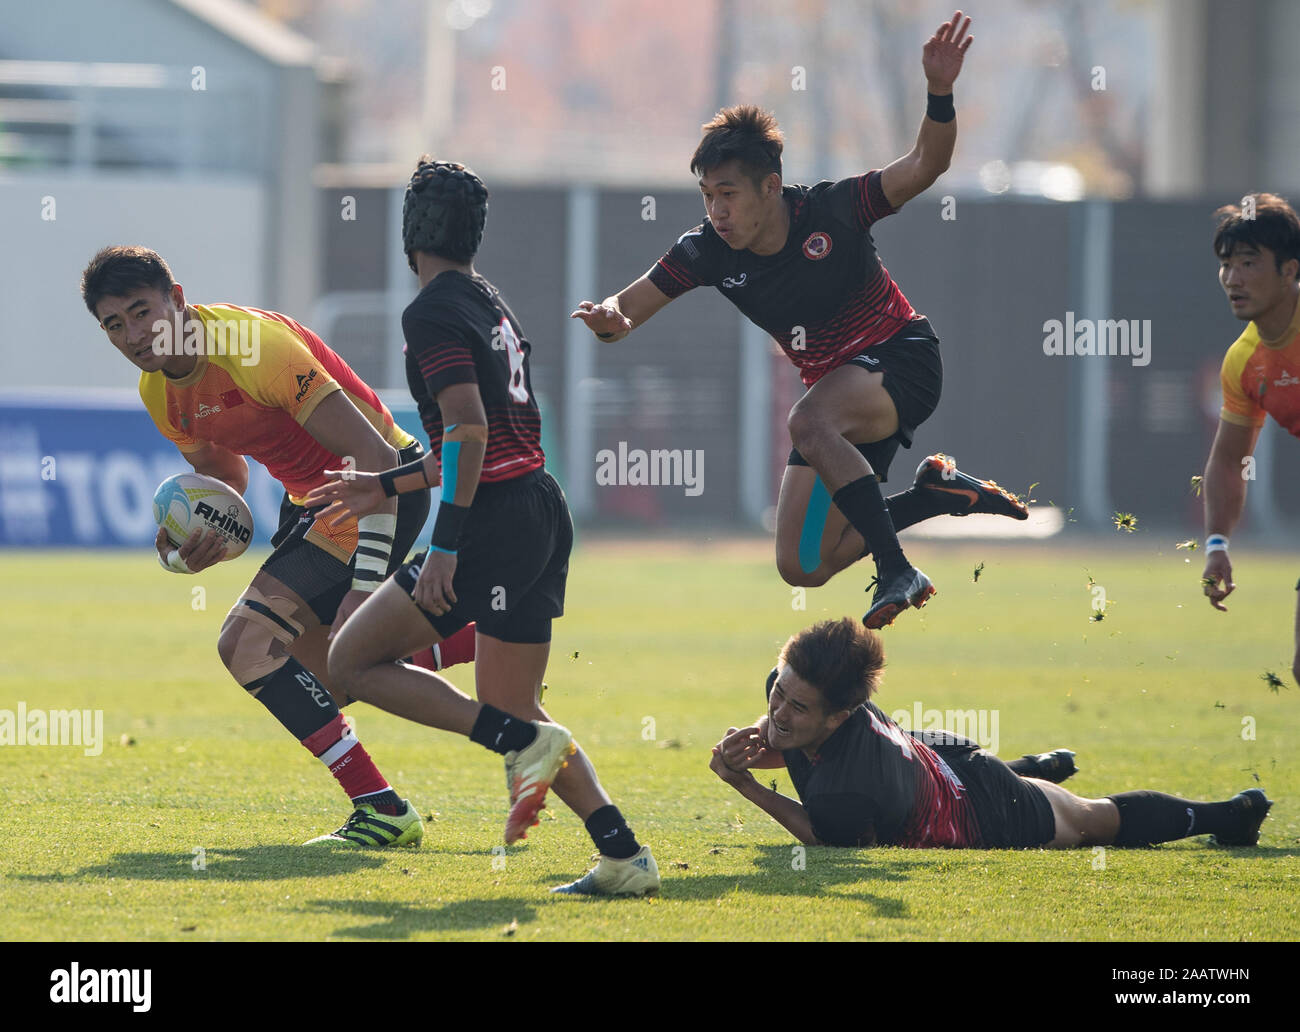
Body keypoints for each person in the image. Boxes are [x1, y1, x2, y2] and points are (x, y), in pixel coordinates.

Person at [572, 10, 1027, 629]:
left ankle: (897, 569)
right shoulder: (705, 250)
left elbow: (926, 163)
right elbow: (625, 314)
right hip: (838, 404)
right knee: (803, 564)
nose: (716, 211)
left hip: (904, 359)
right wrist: (605, 317)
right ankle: (932, 496)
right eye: (707, 195)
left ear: (770, 187)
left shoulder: (834, 210)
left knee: (805, 419)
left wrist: (939, 92)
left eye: (727, 194)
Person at [303, 158, 659, 896]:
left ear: (411, 234)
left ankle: (520, 746)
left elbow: (466, 433)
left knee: (349, 662)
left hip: (492, 523)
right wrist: (384, 485)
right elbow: (477, 438)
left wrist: (444, 542)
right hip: (538, 506)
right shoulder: (488, 302)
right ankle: (623, 855)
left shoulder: (430, 311)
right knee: (513, 700)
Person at [83, 245, 480, 848]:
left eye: (143, 312)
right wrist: (198, 534)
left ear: (178, 299)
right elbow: (229, 481)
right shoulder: (159, 394)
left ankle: (381, 809)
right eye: (115, 324)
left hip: (377, 487)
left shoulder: (255, 350)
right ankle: (487, 630)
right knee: (327, 678)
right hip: (312, 506)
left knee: (245, 644)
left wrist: (366, 586)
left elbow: (371, 462)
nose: (135, 335)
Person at [710, 618, 1273, 849]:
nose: (778, 709)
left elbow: (822, 836)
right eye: (777, 692)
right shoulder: (813, 695)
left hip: (979, 803)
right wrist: (759, 741)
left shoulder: (847, 790)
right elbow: (793, 740)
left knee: (1090, 819)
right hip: (930, 751)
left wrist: (744, 784)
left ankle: (1229, 816)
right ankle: (1032, 766)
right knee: (1029, 784)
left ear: (838, 715)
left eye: (797, 707)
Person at [1199, 193, 1300, 685]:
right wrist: (1217, 542)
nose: (1234, 278)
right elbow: (1228, 461)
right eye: (1226, 264)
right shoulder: (1245, 362)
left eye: (1249, 263)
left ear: (1289, 270)